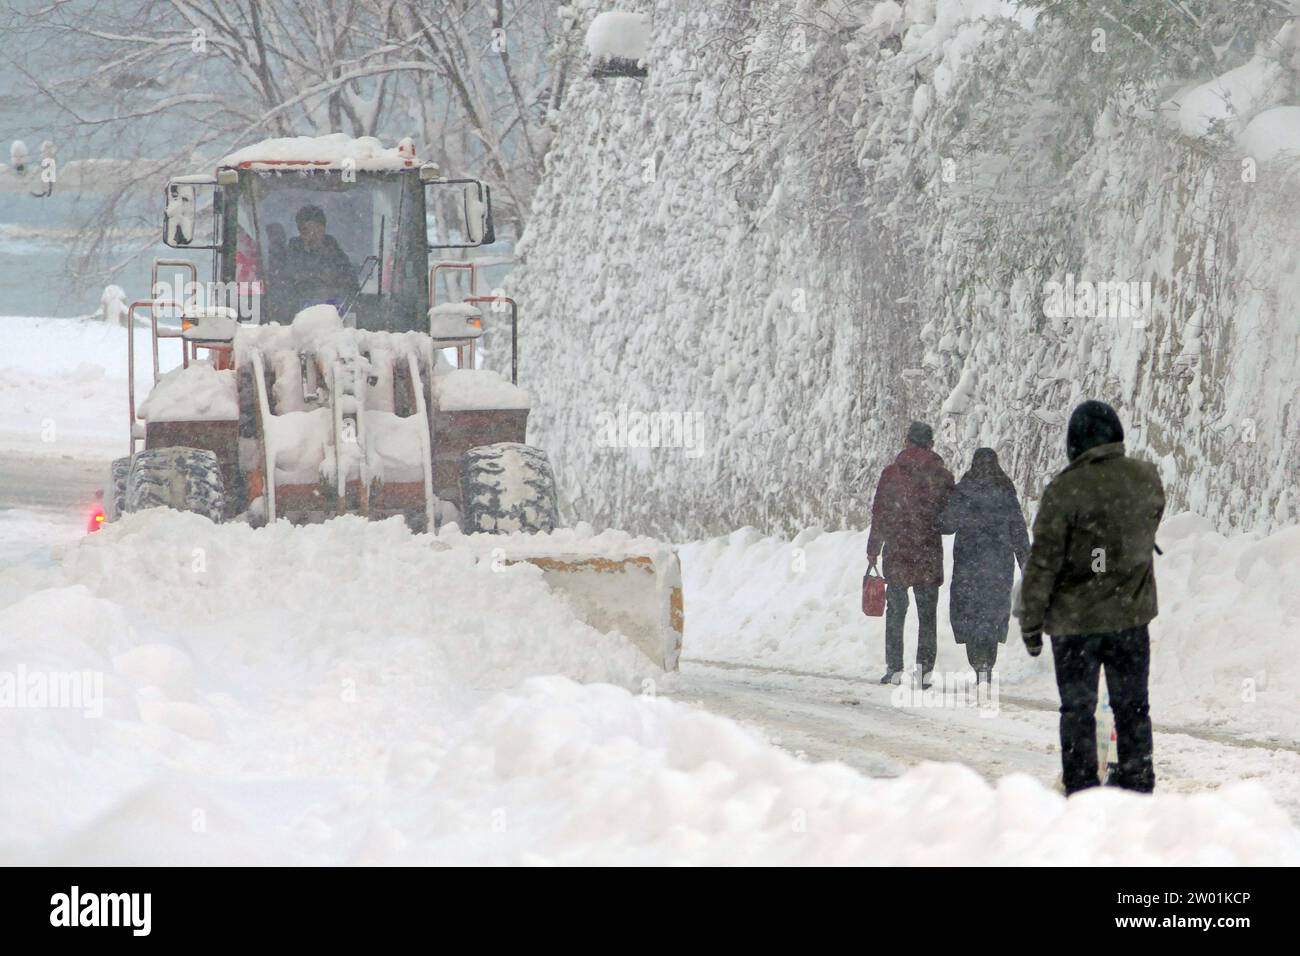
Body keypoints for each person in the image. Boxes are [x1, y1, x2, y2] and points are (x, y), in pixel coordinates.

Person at [1019, 400, 1165, 795]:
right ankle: (1137, 784)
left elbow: (1043, 563)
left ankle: (1082, 787)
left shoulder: (1064, 491)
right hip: (1130, 618)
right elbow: (1147, 525)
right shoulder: (1146, 478)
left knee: (1078, 710)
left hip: (1075, 626)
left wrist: (1030, 620)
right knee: (1133, 707)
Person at [867, 421, 954, 687]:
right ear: (931, 444)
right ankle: (924, 672)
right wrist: (933, 523)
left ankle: (894, 669)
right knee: (927, 617)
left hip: (898, 553)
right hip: (927, 554)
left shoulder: (891, 474)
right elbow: (950, 520)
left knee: (896, 613)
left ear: (907, 441)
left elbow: (880, 513)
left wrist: (873, 549)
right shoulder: (941, 475)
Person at [937, 447, 1028, 686]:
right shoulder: (1006, 492)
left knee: (969, 614)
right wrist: (1026, 563)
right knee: (992, 614)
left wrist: (938, 510)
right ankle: (987, 664)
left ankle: (978, 664)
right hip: (998, 566)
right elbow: (1018, 530)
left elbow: (947, 524)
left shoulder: (964, 491)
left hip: (969, 564)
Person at [283, 205, 356, 309]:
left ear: (323, 228)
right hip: (297, 317)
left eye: (316, 229)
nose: (312, 234)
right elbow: (287, 280)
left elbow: (350, 283)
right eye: (305, 230)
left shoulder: (335, 252)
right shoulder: (293, 250)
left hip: (334, 313)